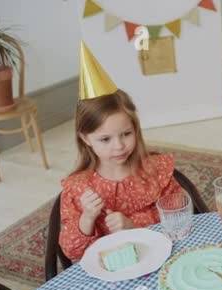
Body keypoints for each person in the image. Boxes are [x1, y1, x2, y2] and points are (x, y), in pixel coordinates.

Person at [59, 42, 182, 261]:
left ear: (135, 128)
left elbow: (179, 216)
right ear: (86, 138)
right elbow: (72, 252)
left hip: (160, 257)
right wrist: (87, 218)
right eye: (105, 139)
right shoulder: (78, 188)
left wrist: (133, 225)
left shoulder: (154, 171)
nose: (119, 146)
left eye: (126, 134)